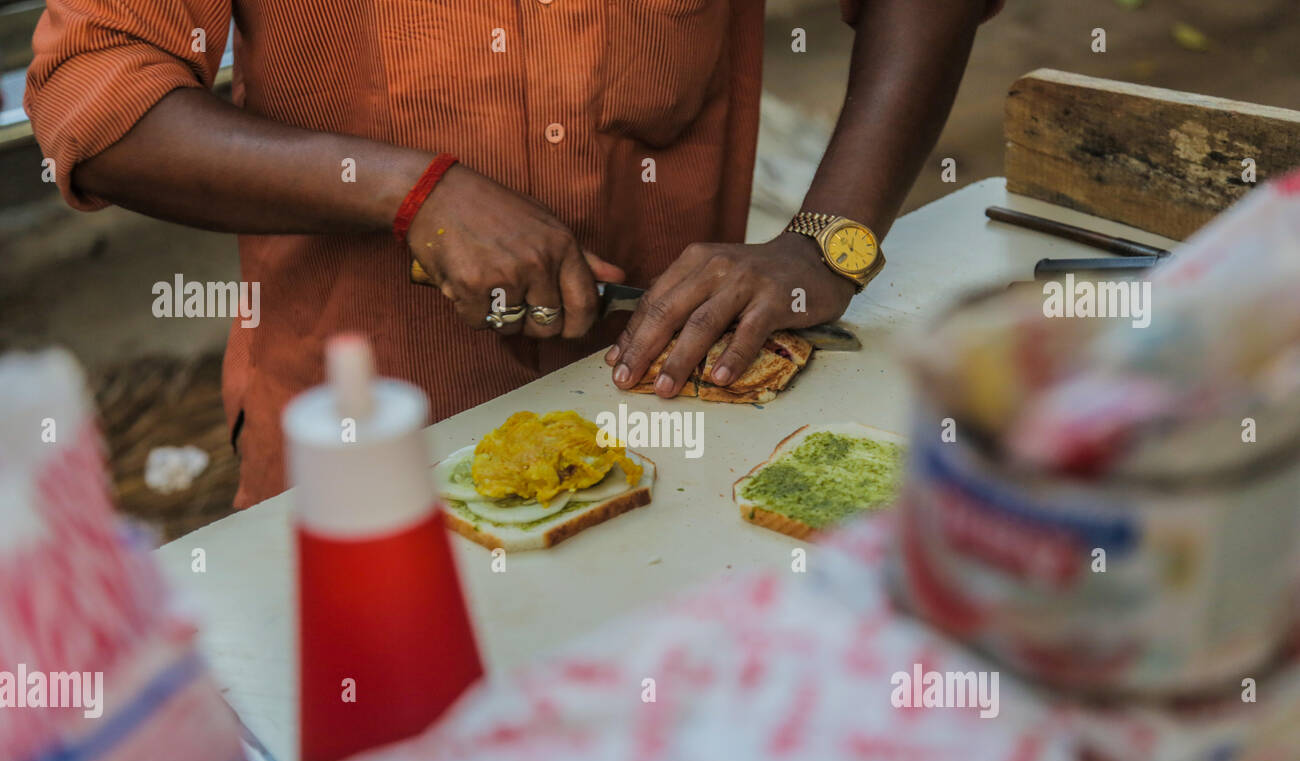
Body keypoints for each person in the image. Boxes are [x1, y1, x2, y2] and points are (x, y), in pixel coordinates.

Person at [25, 0, 1002, 507]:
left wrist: (825, 238)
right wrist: (409, 192)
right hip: (363, 450)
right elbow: (94, 92)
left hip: (671, 426)